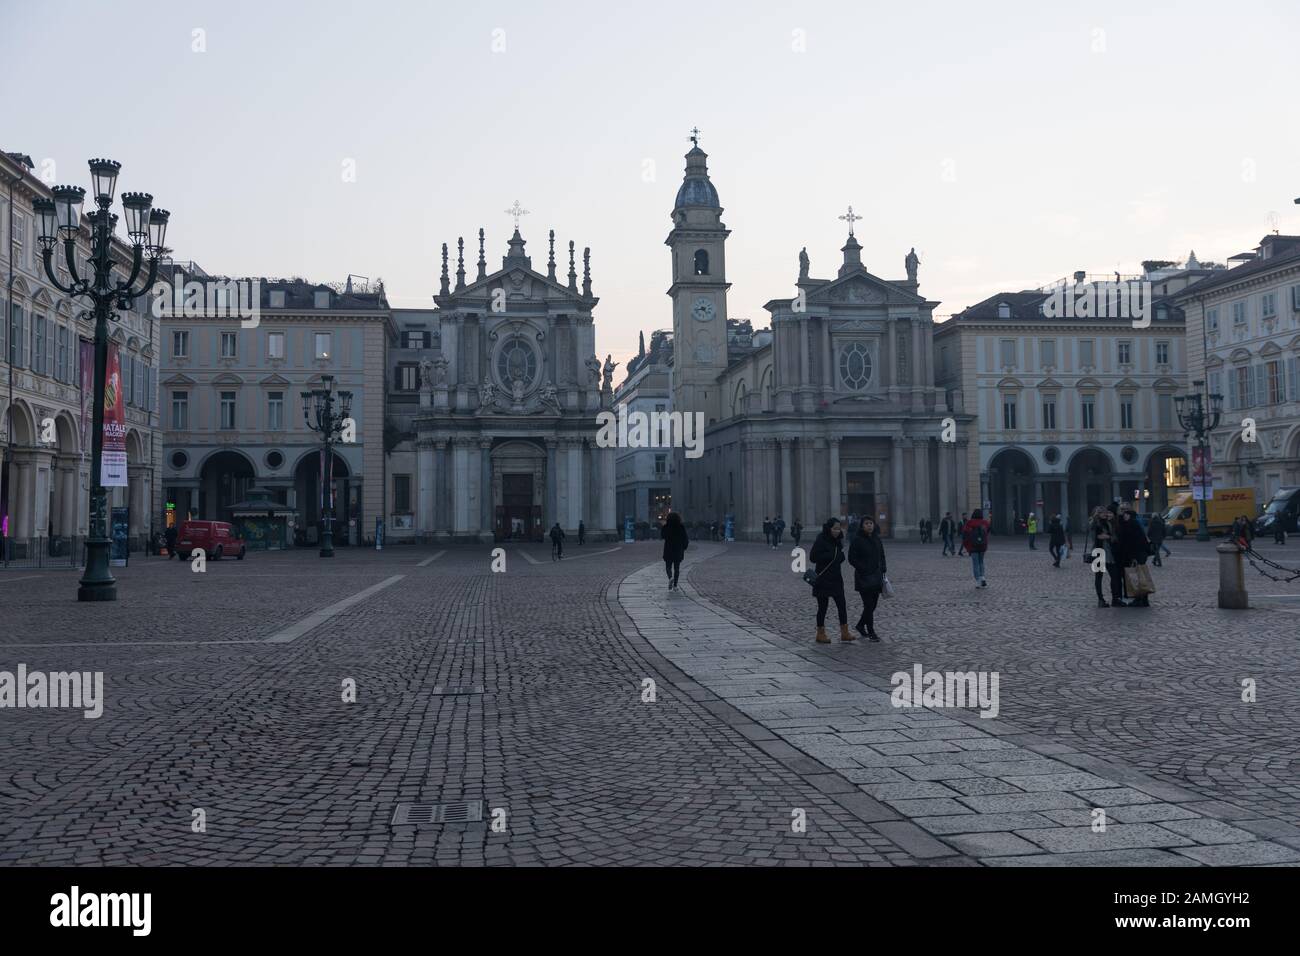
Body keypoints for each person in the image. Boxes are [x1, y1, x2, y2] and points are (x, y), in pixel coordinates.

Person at [809, 517, 850, 643]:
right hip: (823, 579)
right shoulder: (821, 539)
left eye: (839, 528)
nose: (837, 531)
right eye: (835, 529)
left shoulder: (838, 541)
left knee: (842, 605)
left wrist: (839, 556)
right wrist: (832, 555)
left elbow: (840, 557)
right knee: (823, 607)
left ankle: (845, 632)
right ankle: (820, 634)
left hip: (836, 578)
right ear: (829, 528)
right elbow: (813, 557)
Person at [848, 515, 886, 642]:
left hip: (876, 576)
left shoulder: (876, 539)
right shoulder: (857, 540)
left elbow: (882, 555)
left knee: (873, 605)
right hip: (863, 577)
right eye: (866, 523)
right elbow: (851, 558)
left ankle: (860, 625)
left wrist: (883, 569)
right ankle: (871, 632)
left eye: (871, 523)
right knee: (868, 604)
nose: (869, 525)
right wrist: (862, 568)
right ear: (862, 526)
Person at [1114, 507, 1152, 608]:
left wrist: (1133, 556)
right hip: (1141, 554)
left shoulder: (1131, 525)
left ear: (1129, 515)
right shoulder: (1135, 524)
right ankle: (1144, 599)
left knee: (1137, 578)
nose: (1124, 516)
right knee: (1141, 576)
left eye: (1126, 514)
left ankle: (1139, 599)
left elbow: (1132, 542)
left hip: (1136, 555)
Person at [660, 511, 689, 590]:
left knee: (668, 567)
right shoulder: (681, 526)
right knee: (677, 568)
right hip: (678, 549)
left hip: (668, 549)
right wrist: (684, 547)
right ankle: (675, 585)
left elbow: (662, 536)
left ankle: (670, 577)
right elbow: (685, 538)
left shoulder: (666, 526)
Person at [963, 508, 990, 587]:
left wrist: (966, 546)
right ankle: (983, 577)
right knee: (981, 562)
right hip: (982, 546)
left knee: (975, 564)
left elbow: (965, 535)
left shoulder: (969, 523)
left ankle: (978, 580)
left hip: (973, 546)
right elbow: (987, 532)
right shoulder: (985, 523)